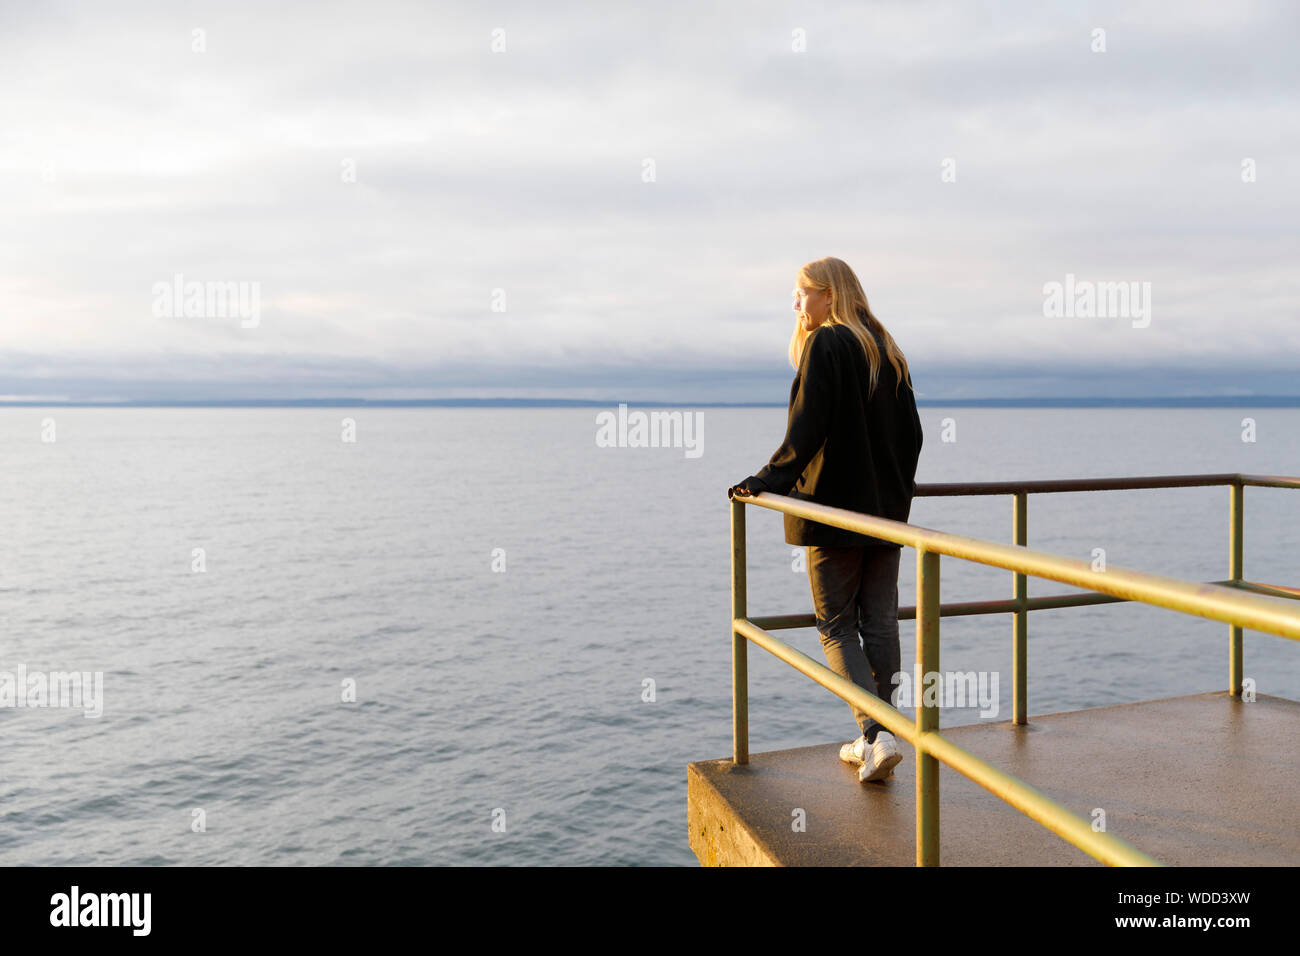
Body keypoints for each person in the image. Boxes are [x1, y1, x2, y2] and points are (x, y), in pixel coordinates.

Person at [728, 256, 923, 784]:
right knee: (880, 622)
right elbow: (914, 437)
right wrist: (894, 496)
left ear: (829, 296)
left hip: (836, 512)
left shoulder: (827, 344)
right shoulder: (886, 348)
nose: (796, 303)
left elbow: (807, 427)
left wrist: (768, 478)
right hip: (886, 516)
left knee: (835, 625)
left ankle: (876, 737)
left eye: (802, 293)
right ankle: (876, 735)